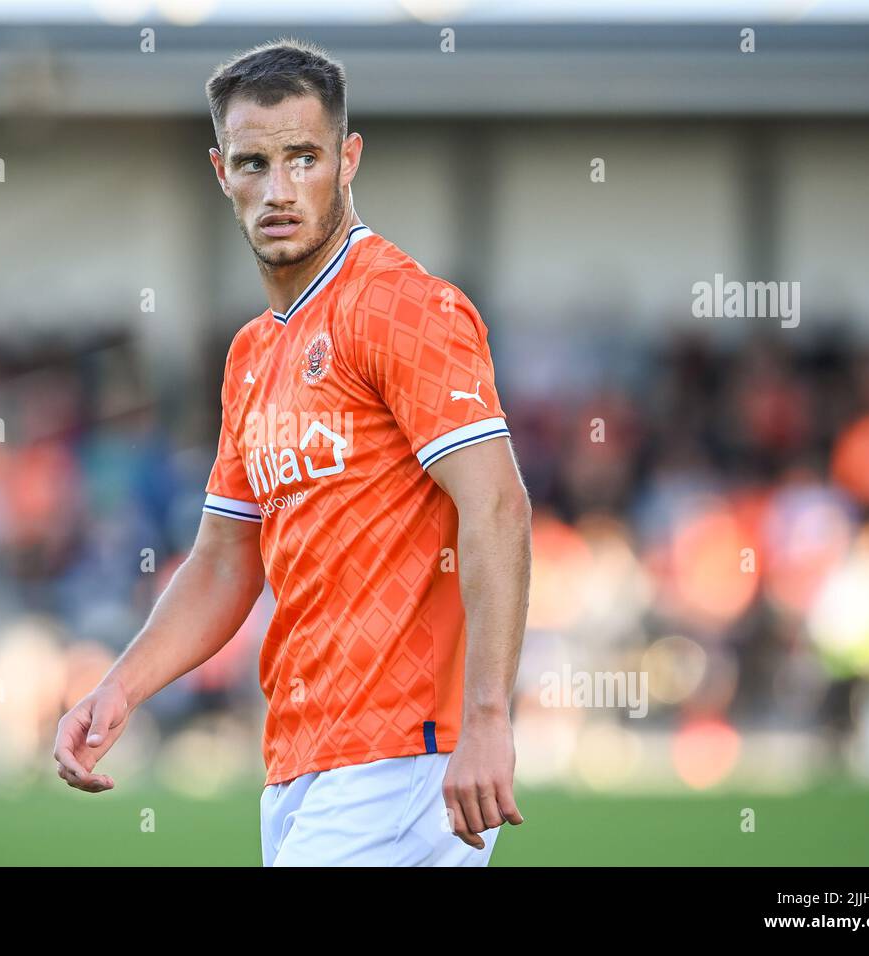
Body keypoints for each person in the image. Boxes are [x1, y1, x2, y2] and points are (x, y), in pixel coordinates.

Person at [55, 38, 533, 866]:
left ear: (348, 159)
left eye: (303, 158)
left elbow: (496, 504)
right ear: (220, 172)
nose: (278, 190)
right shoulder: (251, 355)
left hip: (405, 755)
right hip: (300, 761)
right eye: (253, 164)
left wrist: (488, 719)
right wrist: (119, 687)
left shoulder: (400, 306)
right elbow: (222, 562)